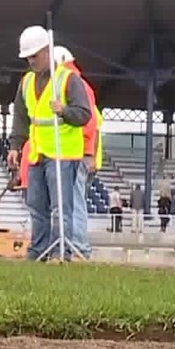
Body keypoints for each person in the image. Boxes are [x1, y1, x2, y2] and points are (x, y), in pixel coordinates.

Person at [6, 25, 92, 262]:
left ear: (47, 51)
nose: (31, 61)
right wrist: (15, 146)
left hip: (63, 153)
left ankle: (60, 251)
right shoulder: (25, 83)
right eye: (27, 57)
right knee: (36, 205)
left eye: (34, 56)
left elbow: (84, 114)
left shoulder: (69, 79)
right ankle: (38, 249)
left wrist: (64, 111)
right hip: (37, 152)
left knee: (60, 207)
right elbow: (21, 118)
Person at [51, 45, 103, 261]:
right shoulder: (79, 84)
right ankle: (74, 247)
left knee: (74, 201)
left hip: (79, 153)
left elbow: (89, 123)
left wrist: (88, 153)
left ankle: (79, 247)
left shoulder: (74, 83)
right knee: (73, 201)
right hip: (80, 152)